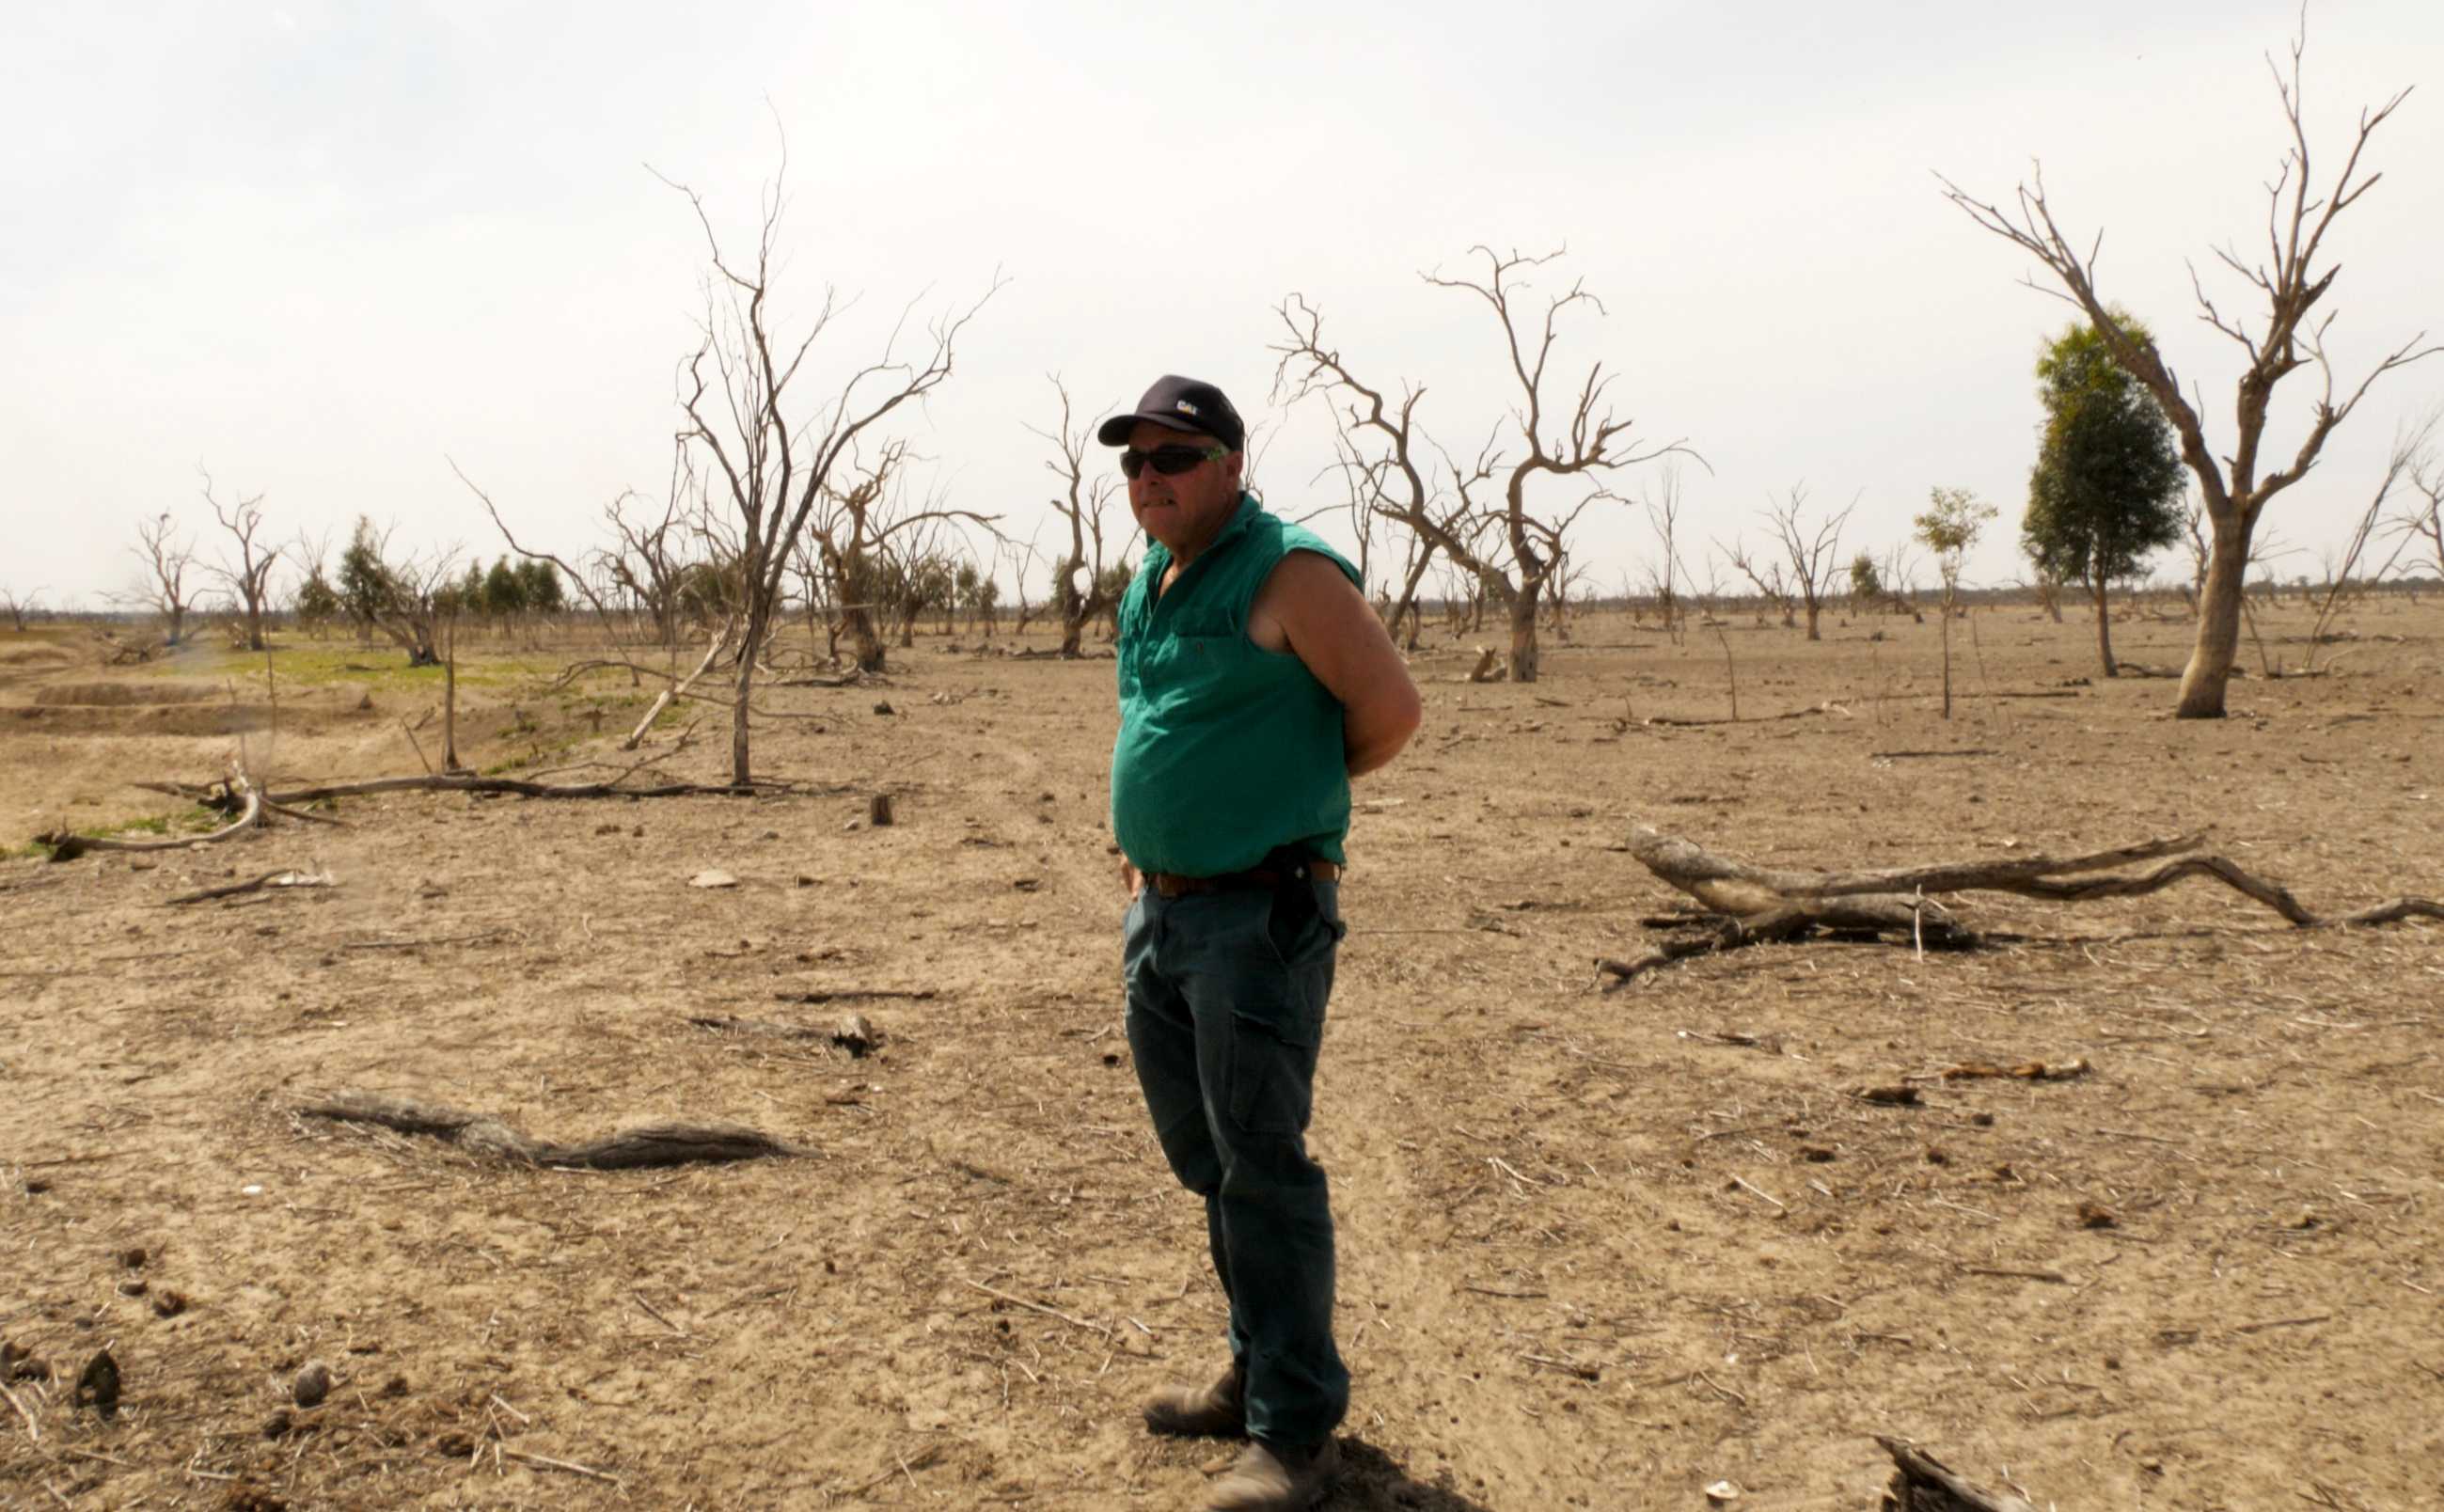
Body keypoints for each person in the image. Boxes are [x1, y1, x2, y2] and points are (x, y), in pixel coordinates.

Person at [1102, 375, 1422, 1510]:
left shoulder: (1290, 570)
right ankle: (1252, 1373)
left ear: (1229, 466)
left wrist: (1281, 810)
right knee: (1209, 1162)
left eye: (1173, 459)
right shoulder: (1156, 574)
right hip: (1163, 913)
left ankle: (1295, 1434)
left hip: (1257, 914)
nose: (1149, 479)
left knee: (1264, 1166)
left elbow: (1387, 714)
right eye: (1135, 462)